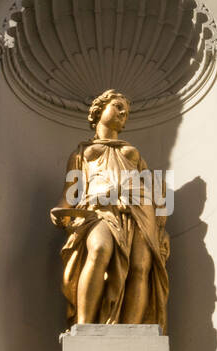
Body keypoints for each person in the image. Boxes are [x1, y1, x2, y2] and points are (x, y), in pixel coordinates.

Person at [50, 89, 170, 331]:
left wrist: (161, 228)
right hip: (99, 208)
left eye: (126, 110)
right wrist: (60, 210)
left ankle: (132, 331)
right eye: (117, 106)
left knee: (140, 267)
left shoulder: (133, 152)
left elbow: (153, 190)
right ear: (98, 110)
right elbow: (70, 192)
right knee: (99, 250)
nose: (123, 112)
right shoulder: (82, 152)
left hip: (140, 208)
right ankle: (84, 327)